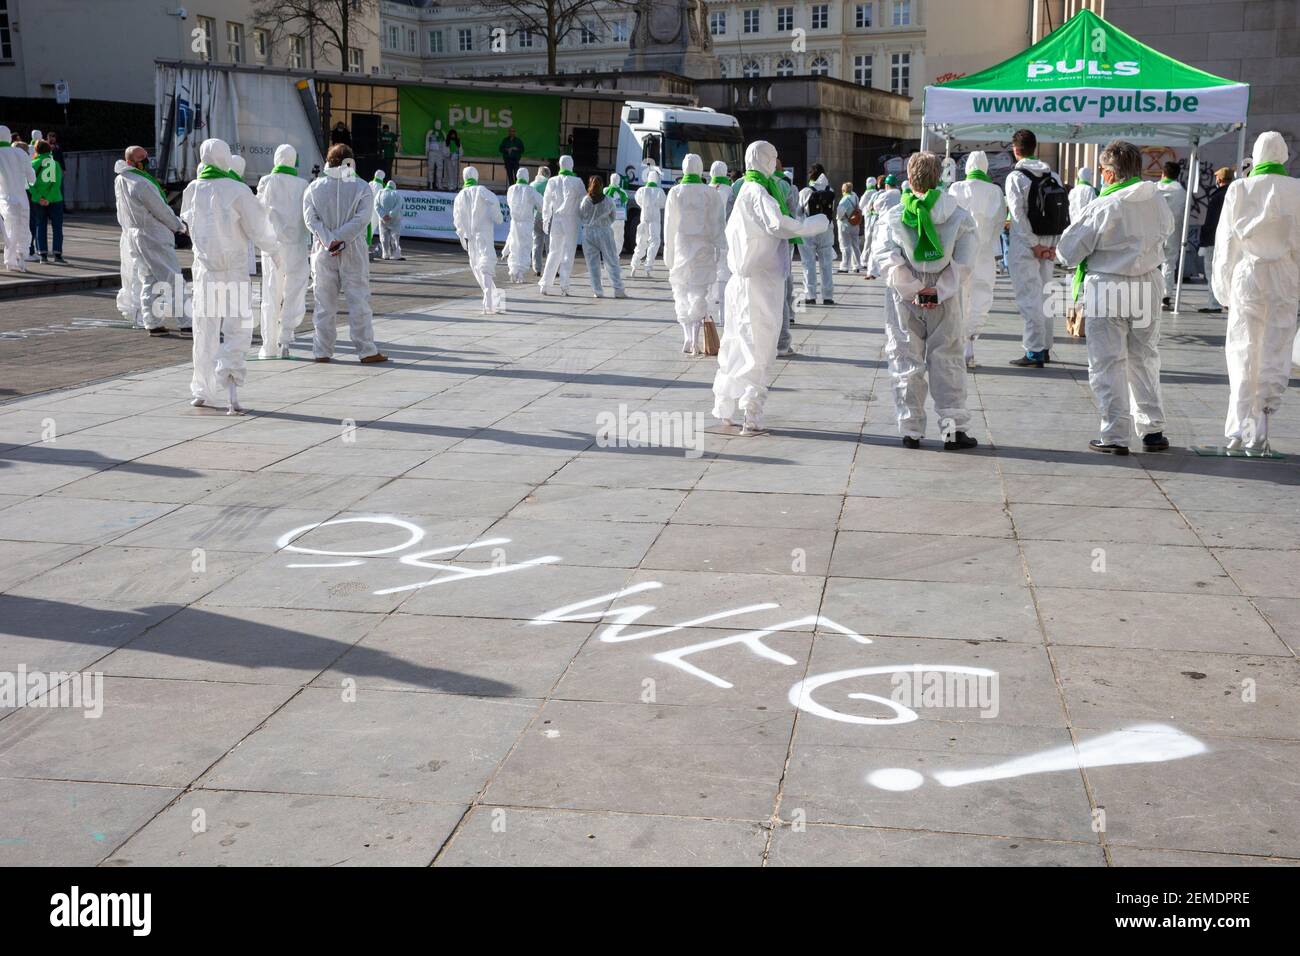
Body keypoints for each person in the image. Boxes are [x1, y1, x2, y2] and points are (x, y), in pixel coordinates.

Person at [1056, 139, 1172, 455]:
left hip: (1108, 285)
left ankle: (1115, 434)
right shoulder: (1156, 198)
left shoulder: (1104, 205)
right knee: (1144, 356)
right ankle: (1152, 429)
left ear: (1108, 174)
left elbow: (1068, 251)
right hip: (1148, 283)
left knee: (1107, 362)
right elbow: (1167, 231)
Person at [712, 140, 827, 435]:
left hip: (742, 281)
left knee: (736, 344)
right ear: (764, 160)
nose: (776, 163)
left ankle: (725, 406)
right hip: (761, 282)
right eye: (773, 158)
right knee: (759, 347)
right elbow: (777, 224)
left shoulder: (743, 191)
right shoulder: (759, 192)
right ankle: (751, 416)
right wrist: (812, 225)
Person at [871, 151, 979, 450]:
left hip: (904, 298)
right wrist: (936, 291)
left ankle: (912, 430)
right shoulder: (959, 214)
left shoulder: (893, 215)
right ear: (940, 176)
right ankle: (952, 431)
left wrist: (914, 289)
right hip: (945, 297)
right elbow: (965, 262)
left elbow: (886, 259)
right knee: (948, 360)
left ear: (909, 176)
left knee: (905, 358)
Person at [1213, 131, 1300, 454]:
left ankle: (1238, 428)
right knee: (1276, 346)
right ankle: (1262, 421)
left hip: (1248, 272)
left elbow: (1226, 243)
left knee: (1242, 348)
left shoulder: (1240, 188)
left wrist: (1222, 288)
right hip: (1285, 274)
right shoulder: (1296, 190)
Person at [185, 138, 282, 413]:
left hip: (205, 271)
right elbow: (258, 228)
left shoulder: (193, 189)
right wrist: (274, 250)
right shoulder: (237, 190)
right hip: (234, 270)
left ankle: (201, 388)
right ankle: (230, 388)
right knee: (236, 328)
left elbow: (189, 226)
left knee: (204, 330)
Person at [303, 143, 387, 364]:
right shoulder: (361, 187)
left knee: (324, 303)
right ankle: (366, 350)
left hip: (323, 251)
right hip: (353, 250)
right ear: (351, 162)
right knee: (358, 301)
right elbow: (362, 220)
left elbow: (310, 219)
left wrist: (329, 240)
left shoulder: (314, 187)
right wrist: (340, 239)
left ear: (328, 162)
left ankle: (321, 351)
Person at [1005, 129, 1066, 367]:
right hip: (1049, 242)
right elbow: (1061, 211)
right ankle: (1045, 346)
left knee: (1029, 298)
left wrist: (1034, 245)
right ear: (1035, 147)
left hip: (1026, 245)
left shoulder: (1016, 177)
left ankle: (1034, 351)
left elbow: (1017, 216)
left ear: (1016, 149)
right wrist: (1052, 246)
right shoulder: (1054, 175)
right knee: (1046, 295)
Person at [116, 145, 188, 334]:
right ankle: (187, 321)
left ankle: (152, 322)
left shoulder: (121, 179)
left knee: (150, 279)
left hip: (135, 235)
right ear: (131, 161)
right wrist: (179, 226)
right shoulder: (142, 183)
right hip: (153, 235)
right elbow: (161, 210)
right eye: (142, 158)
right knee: (173, 278)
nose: (146, 161)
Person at [948, 151, 1007, 368]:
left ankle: (959, 343)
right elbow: (1000, 222)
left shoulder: (956, 188)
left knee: (959, 297)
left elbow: (949, 218)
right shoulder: (995, 191)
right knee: (981, 297)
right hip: (984, 253)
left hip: (960, 252)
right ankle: (970, 344)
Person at [254, 144, 310, 359]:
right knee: (295, 290)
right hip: (296, 244)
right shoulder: (303, 184)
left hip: (273, 246)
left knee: (271, 292)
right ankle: (286, 337)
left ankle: (268, 346)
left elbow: (259, 212)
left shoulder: (266, 181)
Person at [663, 153, 723, 352]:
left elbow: (669, 225)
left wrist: (668, 252)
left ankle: (687, 337)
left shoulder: (675, 191)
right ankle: (696, 338)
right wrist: (719, 247)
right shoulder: (710, 193)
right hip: (703, 247)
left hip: (681, 246)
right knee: (699, 293)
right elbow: (717, 223)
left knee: (680, 291)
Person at [453, 165, 504, 312]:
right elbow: (494, 201)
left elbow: (457, 221)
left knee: (477, 267)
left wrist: (462, 236)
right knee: (485, 264)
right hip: (483, 234)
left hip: (471, 238)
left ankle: (490, 299)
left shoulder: (459, 197)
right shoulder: (481, 190)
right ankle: (490, 299)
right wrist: (498, 217)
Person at [539, 154, 584, 295]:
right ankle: (564, 285)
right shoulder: (577, 182)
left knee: (554, 251)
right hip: (571, 220)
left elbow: (545, 202)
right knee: (568, 252)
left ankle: (545, 285)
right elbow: (584, 202)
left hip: (557, 219)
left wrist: (546, 218)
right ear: (571, 165)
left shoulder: (552, 181)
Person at [578, 174, 627, 300]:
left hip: (588, 233)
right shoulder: (608, 200)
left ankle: (597, 291)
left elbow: (581, 216)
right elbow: (613, 217)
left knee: (592, 264)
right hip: (604, 232)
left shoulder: (585, 200)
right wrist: (604, 225)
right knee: (611, 261)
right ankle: (618, 290)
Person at [798, 164, 837, 304]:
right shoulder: (830, 190)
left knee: (808, 263)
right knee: (826, 264)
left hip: (808, 231)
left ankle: (810, 295)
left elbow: (798, 212)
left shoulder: (805, 191)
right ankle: (828, 296)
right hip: (826, 230)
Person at [0, 127, 36, 272]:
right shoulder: (20, 153)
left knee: (10, 229)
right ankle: (20, 259)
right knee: (22, 228)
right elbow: (32, 177)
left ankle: (10, 260)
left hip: (5, 197)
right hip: (21, 197)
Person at [1198, 167, 1233, 314]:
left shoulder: (1217, 196)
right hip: (1230, 239)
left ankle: (1214, 303)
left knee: (1211, 271)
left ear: (1219, 179)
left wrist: (1204, 240)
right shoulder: (1235, 192)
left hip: (1214, 239)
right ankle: (1227, 301)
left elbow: (1211, 221)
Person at [1156, 160, 1188, 311]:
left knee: (1149, 263)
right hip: (1173, 233)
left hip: (1154, 231)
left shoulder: (1154, 189)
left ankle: (1149, 295)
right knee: (1169, 264)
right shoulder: (1181, 192)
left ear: (1163, 173)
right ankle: (1165, 296)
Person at [29, 140, 65, 264]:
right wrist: (49, 199)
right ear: (49, 150)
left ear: (36, 150)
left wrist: (39, 197)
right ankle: (57, 254)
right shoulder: (55, 164)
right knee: (57, 227)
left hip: (38, 200)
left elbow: (30, 184)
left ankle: (42, 255)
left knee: (40, 226)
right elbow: (57, 184)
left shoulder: (32, 164)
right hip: (55, 199)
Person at [708, 159, 733, 327]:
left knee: (708, 277)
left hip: (708, 238)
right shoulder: (731, 191)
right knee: (724, 277)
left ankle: (708, 318)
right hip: (726, 238)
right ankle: (724, 317)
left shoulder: (706, 190)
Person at [863, 175, 901, 279]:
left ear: (887, 185)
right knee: (896, 251)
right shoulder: (900, 194)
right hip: (897, 226)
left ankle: (872, 272)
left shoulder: (885, 195)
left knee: (875, 248)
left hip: (883, 226)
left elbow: (874, 207)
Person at [630, 169, 665, 278]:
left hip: (644, 219)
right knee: (654, 242)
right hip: (654, 220)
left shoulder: (641, 190)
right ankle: (648, 266)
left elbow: (638, 201)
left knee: (641, 242)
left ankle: (634, 265)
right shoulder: (659, 191)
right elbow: (663, 203)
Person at [836, 182, 862, 274]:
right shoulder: (855, 196)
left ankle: (845, 266)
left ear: (843, 190)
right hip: (855, 224)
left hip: (845, 225)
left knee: (845, 245)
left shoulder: (844, 200)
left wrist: (839, 218)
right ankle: (857, 265)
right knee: (855, 245)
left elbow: (839, 214)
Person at [376, 181, 404, 261]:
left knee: (383, 237)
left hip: (383, 220)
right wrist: (391, 214)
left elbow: (376, 205)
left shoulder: (380, 193)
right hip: (394, 219)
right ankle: (396, 254)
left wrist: (383, 215)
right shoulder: (396, 194)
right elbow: (398, 206)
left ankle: (385, 254)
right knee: (395, 236)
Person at [605, 172, 631, 256]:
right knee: (619, 238)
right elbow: (626, 202)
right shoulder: (623, 192)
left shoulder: (606, 191)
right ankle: (615, 256)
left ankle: (609, 258)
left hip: (609, 218)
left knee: (608, 238)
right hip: (619, 218)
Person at [530, 165, 550, 276]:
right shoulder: (550, 184)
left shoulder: (532, 185)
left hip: (536, 217)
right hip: (547, 217)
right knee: (549, 244)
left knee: (537, 243)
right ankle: (551, 269)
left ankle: (537, 269)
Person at [368, 169, 386, 258]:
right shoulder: (380, 186)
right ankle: (365, 247)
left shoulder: (370, 183)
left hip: (367, 208)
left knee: (366, 228)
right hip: (375, 211)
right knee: (372, 228)